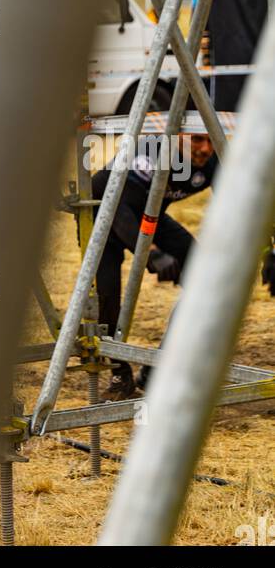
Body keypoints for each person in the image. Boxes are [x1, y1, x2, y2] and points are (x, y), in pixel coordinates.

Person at [92, 132, 218, 399]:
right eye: (197, 139)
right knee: (107, 294)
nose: (205, 148)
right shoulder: (151, 154)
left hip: (150, 215)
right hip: (106, 210)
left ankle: (157, 369)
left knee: (205, 277)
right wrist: (151, 253)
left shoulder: (212, 162)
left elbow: (239, 201)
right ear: (180, 135)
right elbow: (118, 207)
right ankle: (120, 375)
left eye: (209, 140)